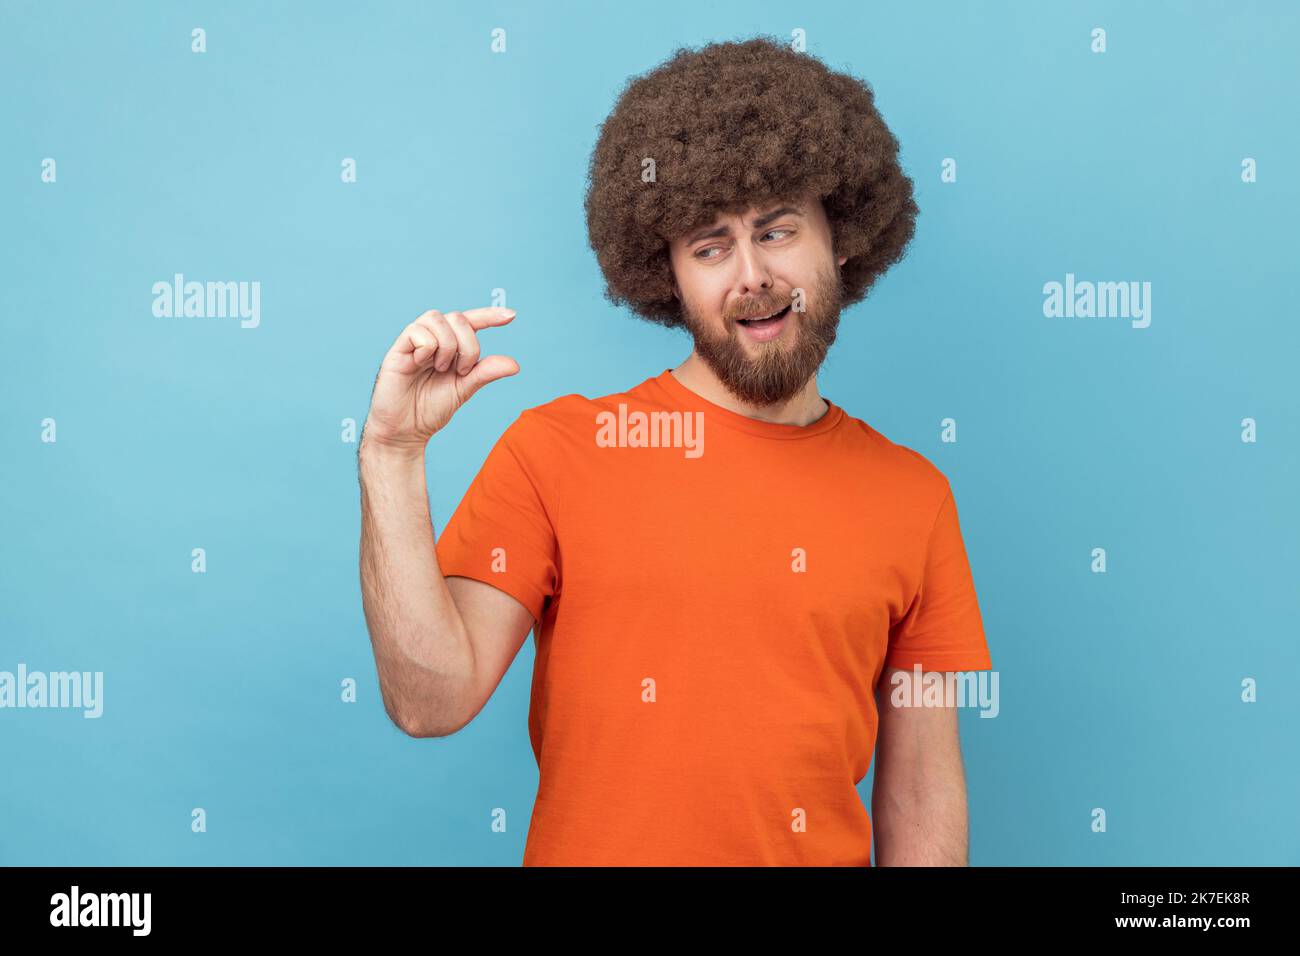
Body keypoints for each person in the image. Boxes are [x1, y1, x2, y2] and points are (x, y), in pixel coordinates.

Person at [358, 36, 991, 866]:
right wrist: (393, 455)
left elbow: (920, 792)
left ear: (841, 238)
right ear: (667, 274)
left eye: (778, 230)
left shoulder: (915, 497)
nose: (751, 275)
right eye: (710, 247)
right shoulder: (557, 452)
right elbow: (427, 701)